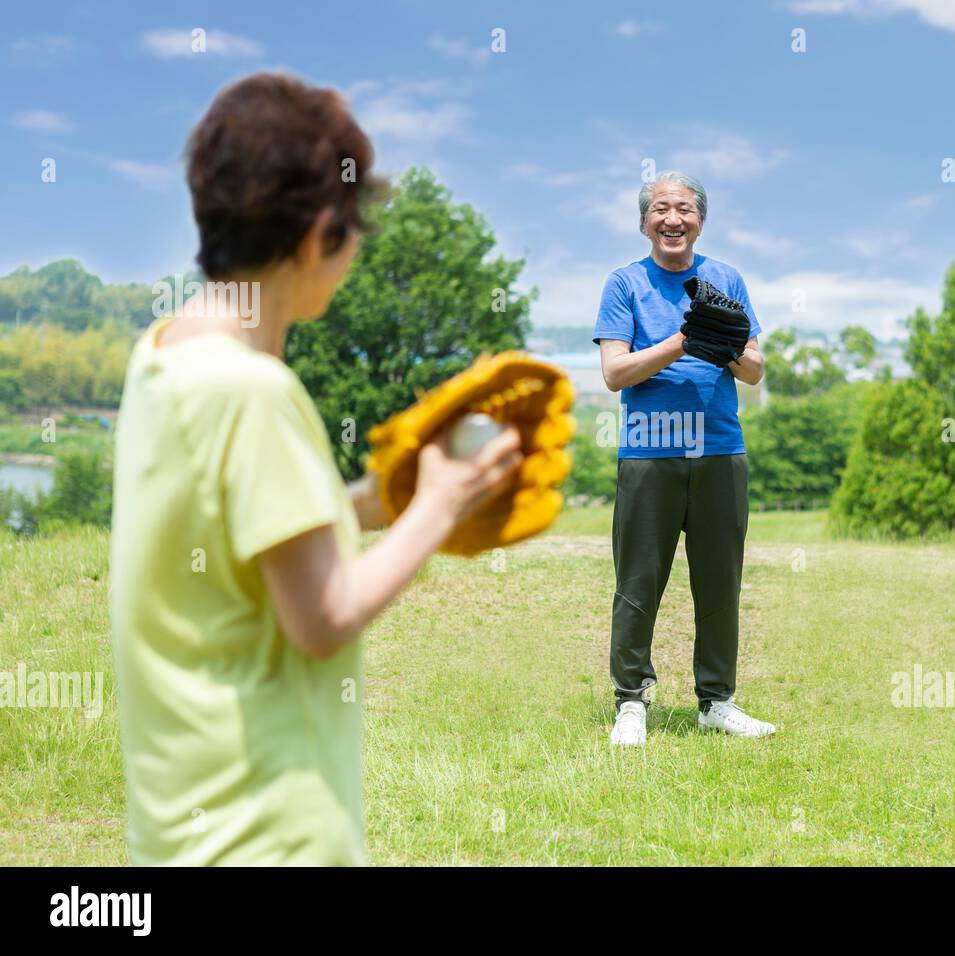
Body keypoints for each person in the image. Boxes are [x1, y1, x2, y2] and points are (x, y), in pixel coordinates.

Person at [109, 72, 522, 865]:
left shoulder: (165, 357)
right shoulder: (253, 391)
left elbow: (250, 528)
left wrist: (383, 499)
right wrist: (439, 507)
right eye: (354, 227)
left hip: (180, 832)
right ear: (318, 233)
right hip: (268, 836)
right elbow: (322, 618)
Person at [594, 170, 777, 747]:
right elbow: (615, 373)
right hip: (649, 454)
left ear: (701, 220)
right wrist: (683, 340)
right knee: (639, 581)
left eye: (685, 209)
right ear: (644, 221)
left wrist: (724, 346)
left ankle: (716, 701)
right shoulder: (624, 284)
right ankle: (631, 701)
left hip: (721, 451)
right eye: (661, 209)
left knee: (720, 582)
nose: (673, 218)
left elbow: (754, 368)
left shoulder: (726, 279)